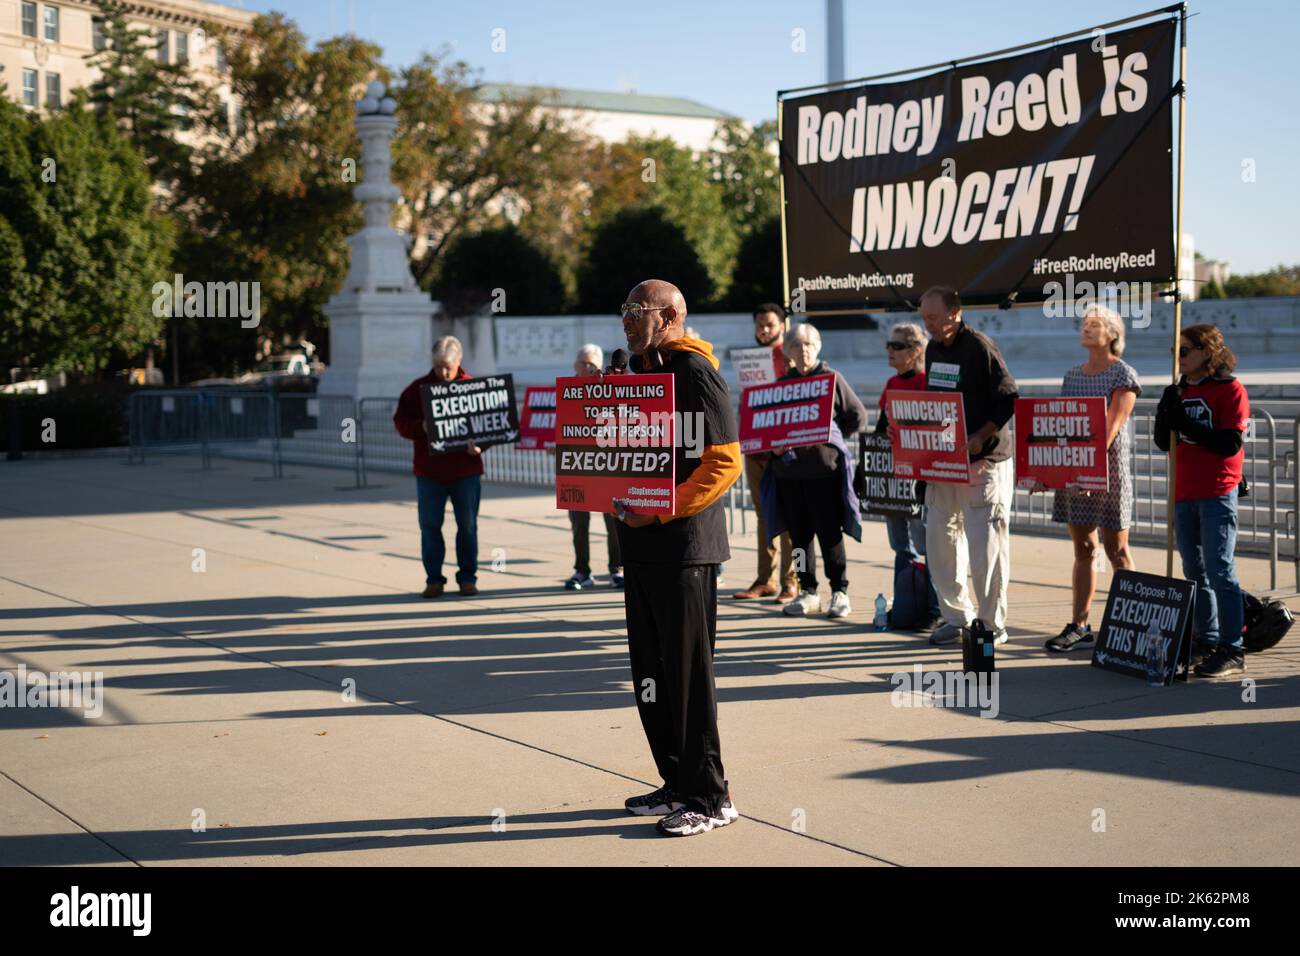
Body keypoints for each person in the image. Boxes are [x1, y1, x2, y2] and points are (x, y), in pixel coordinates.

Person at [615, 278, 742, 836]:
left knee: (688, 677)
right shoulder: (641, 373)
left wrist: (662, 511)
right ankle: (676, 782)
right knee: (652, 674)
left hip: (684, 549)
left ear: (669, 316)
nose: (626, 319)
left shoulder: (695, 373)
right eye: (623, 310)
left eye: (636, 310)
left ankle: (712, 799)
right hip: (640, 548)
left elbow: (725, 462)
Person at [913, 286, 1018, 646]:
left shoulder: (980, 347)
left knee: (985, 545)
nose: (927, 324)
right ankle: (956, 616)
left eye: (933, 317)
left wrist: (979, 435)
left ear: (954, 313)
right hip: (945, 462)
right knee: (940, 540)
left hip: (984, 462)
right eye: (923, 317)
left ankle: (991, 625)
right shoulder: (932, 349)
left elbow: (1008, 401)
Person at [1154, 323, 1251, 678]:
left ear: (1206, 352)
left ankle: (1232, 646)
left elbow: (1229, 443)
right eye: (1174, 351)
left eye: (1184, 351)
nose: (1177, 358)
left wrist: (1186, 423)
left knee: (1219, 569)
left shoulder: (1230, 390)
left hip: (1217, 490)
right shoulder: (1179, 391)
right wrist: (1165, 415)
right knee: (1193, 570)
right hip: (1184, 489)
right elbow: (1165, 443)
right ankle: (1205, 638)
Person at [1044, 306, 1140, 652]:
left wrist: (1090, 465)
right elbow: (1062, 424)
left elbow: (1112, 426)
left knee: (1117, 550)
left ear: (1112, 333)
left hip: (1109, 471)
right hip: (1077, 468)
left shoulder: (1123, 374)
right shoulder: (1072, 375)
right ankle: (1079, 625)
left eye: (1094, 324)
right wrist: (1052, 468)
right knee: (1084, 548)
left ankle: (1135, 624)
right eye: (1084, 324)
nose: (1086, 329)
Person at [765, 322, 867, 619]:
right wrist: (775, 447)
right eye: (796, 345)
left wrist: (832, 438)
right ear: (787, 351)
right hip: (790, 475)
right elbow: (769, 427)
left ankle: (840, 591)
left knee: (829, 535)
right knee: (798, 538)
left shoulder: (832, 379)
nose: (803, 350)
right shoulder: (782, 386)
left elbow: (857, 416)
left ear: (818, 347)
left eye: (809, 344)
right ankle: (808, 590)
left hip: (825, 473)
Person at [393, 335, 483, 598]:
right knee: (430, 526)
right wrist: (419, 427)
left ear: (459, 362)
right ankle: (434, 579)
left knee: (467, 527)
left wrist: (480, 446)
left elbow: (492, 426)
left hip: (466, 471)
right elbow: (400, 422)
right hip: (429, 472)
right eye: (438, 366)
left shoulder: (472, 388)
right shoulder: (417, 389)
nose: (443, 372)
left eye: (448, 367)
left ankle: (467, 578)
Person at [870, 322, 941, 627]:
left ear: (915, 351)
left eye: (897, 346)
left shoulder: (928, 382)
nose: (890, 350)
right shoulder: (890, 383)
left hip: (921, 477)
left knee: (928, 547)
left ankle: (936, 610)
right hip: (893, 478)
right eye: (888, 344)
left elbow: (939, 427)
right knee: (900, 546)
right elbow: (878, 430)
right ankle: (906, 605)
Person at [732, 303, 799, 604]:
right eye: (760, 325)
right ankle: (765, 579)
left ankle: (792, 581)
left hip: (783, 450)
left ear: (782, 326)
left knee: (788, 518)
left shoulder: (793, 358)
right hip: (755, 448)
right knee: (763, 517)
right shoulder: (751, 360)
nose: (764, 330)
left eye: (770, 324)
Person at [564, 344, 623, 590]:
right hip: (576, 465)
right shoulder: (565, 391)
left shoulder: (610, 388)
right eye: (584, 363)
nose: (588, 368)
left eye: (592, 364)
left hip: (606, 465)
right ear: (575, 365)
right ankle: (582, 570)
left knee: (613, 520)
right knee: (579, 522)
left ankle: (617, 569)